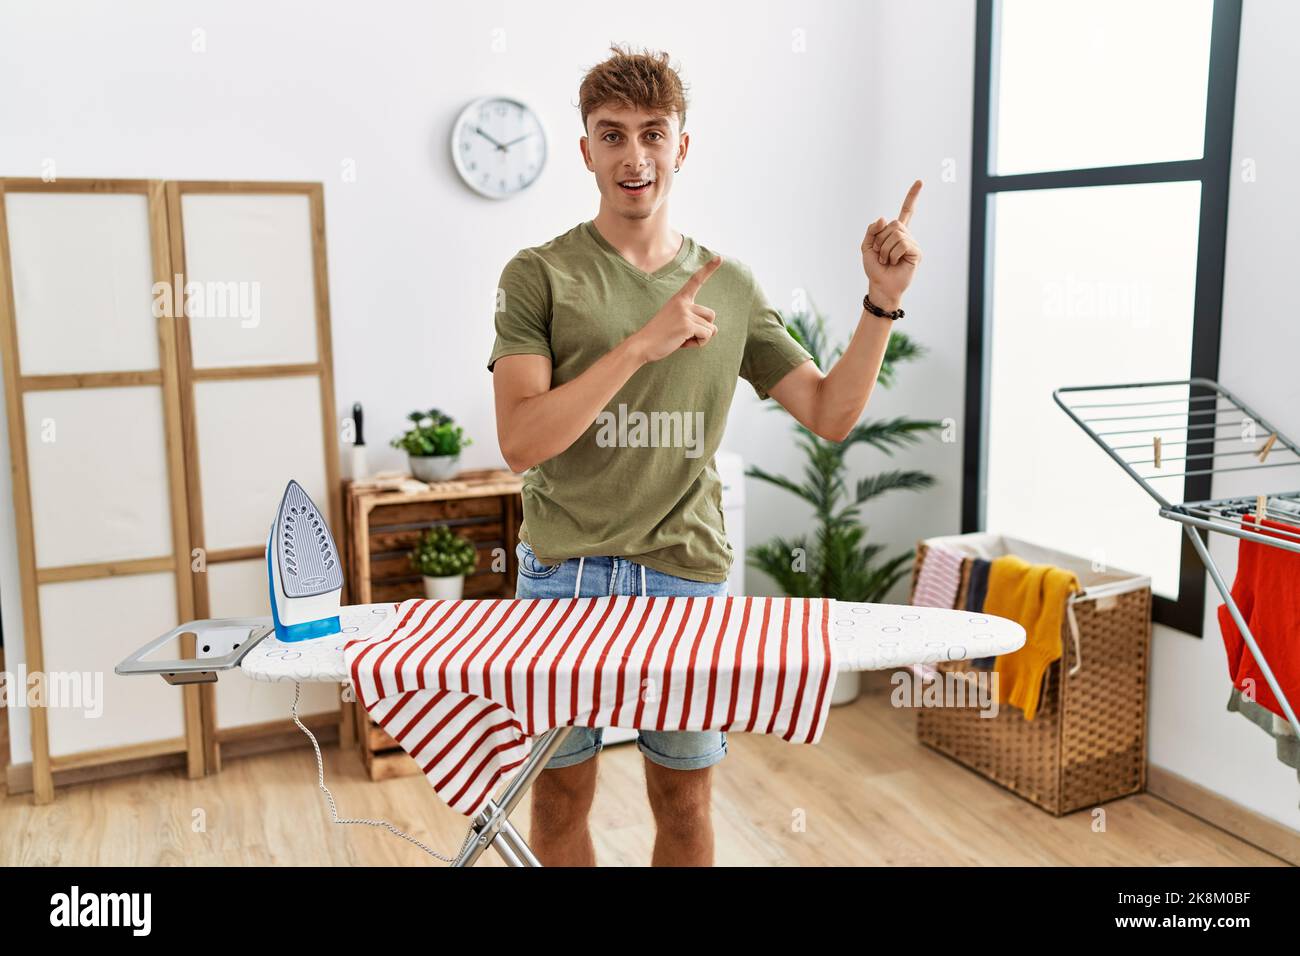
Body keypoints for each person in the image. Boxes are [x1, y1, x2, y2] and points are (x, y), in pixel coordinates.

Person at [487, 43, 923, 866]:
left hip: (683, 577)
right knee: (558, 797)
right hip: (563, 573)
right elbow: (521, 441)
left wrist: (881, 301)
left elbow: (830, 413)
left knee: (684, 802)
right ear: (586, 151)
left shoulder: (730, 285)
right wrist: (639, 347)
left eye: (653, 133)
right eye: (613, 135)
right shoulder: (538, 274)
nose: (635, 156)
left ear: (681, 146)